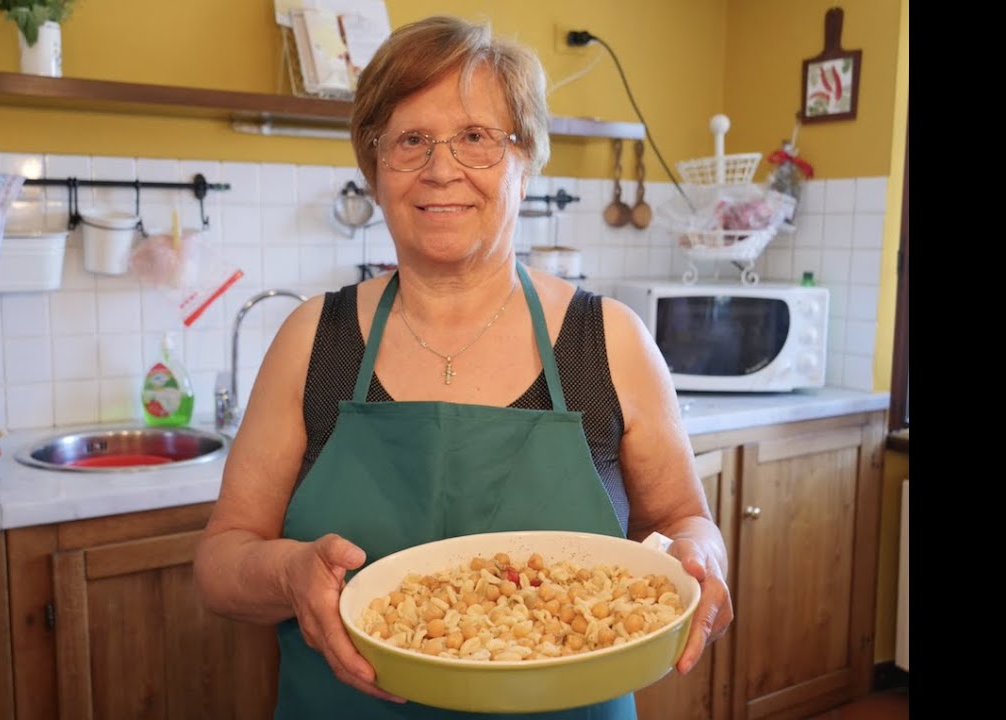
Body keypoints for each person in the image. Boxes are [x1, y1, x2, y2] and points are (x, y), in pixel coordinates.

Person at [194, 15, 733, 719]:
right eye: (410, 140)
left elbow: (683, 519)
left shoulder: (609, 341)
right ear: (374, 165)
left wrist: (701, 560)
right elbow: (220, 564)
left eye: (476, 138)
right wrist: (291, 575)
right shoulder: (310, 341)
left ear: (526, 156)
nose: (440, 168)